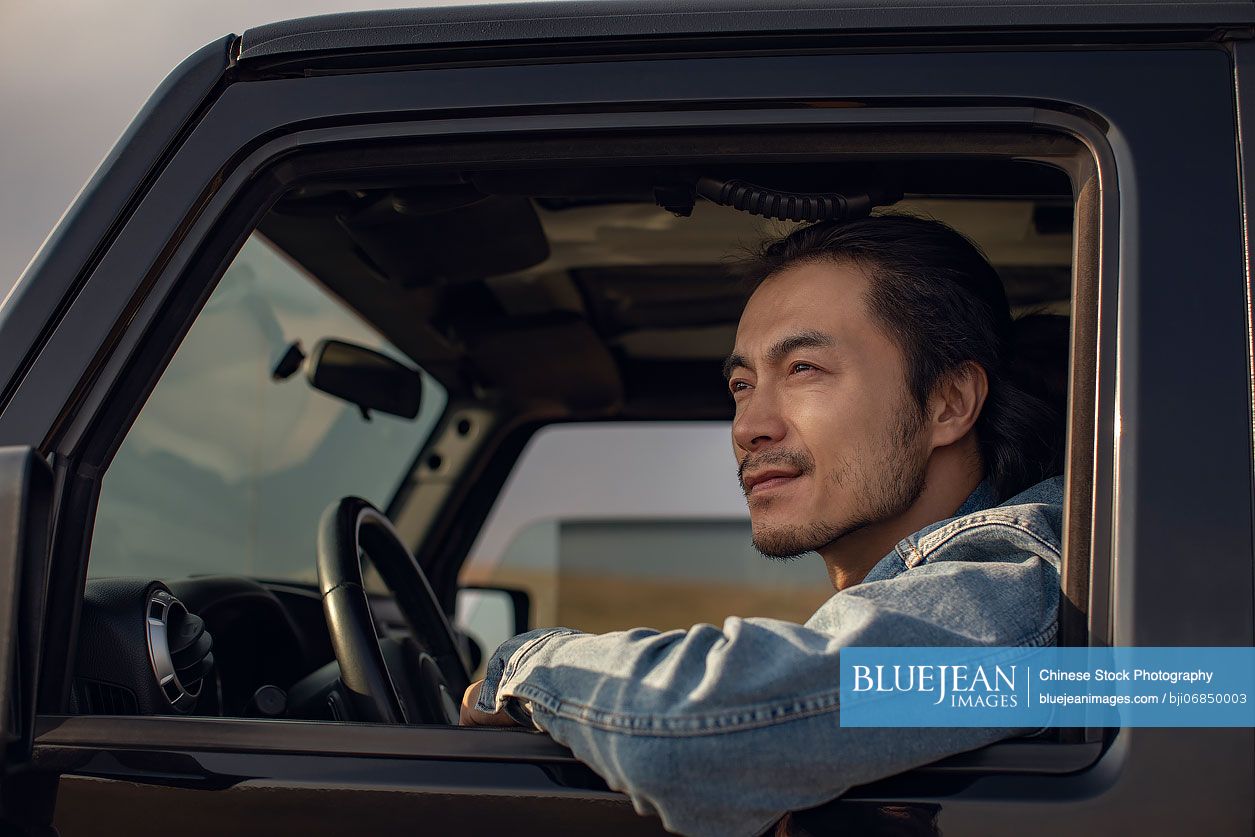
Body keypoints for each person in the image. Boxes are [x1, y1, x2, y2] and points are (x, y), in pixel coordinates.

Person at [460, 215, 1066, 837]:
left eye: (803, 368)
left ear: (948, 403)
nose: (748, 426)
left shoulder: (1019, 584)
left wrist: (523, 667)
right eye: (743, 384)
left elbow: (704, 737)